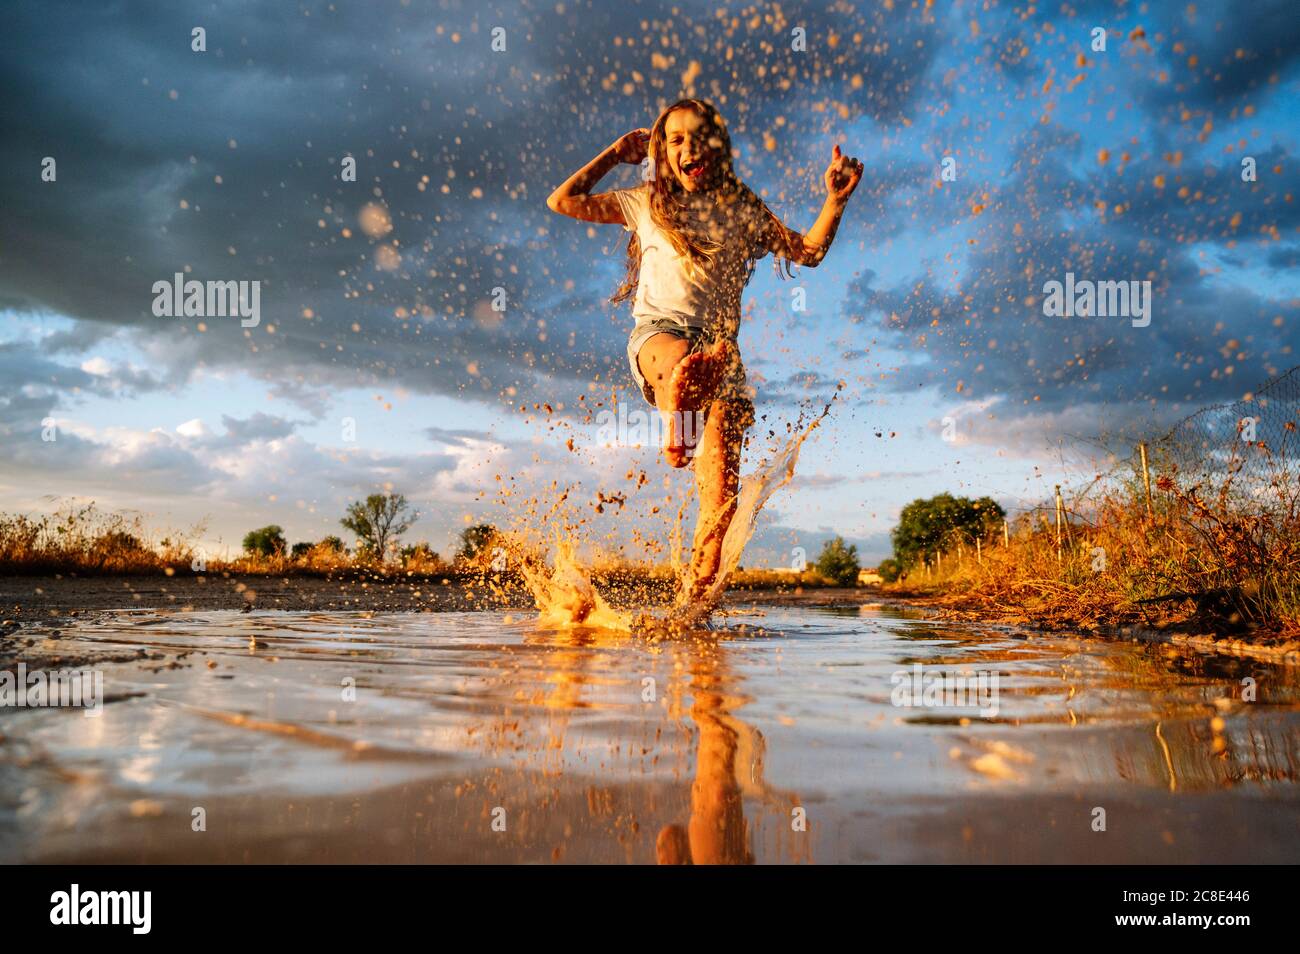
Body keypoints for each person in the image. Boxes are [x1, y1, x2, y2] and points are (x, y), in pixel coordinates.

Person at [547, 98, 861, 602]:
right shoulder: (643, 203)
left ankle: (694, 610)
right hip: (659, 335)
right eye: (675, 139)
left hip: (722, 356)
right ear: (662, 153)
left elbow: (808, 253)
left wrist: (836, 201)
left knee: (719, 499)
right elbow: (563, 200)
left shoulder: (743, 209)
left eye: (699, 136)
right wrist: (613, 154)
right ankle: (680, 412)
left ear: (719, 147)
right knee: (678, 363)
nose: (688, 146)